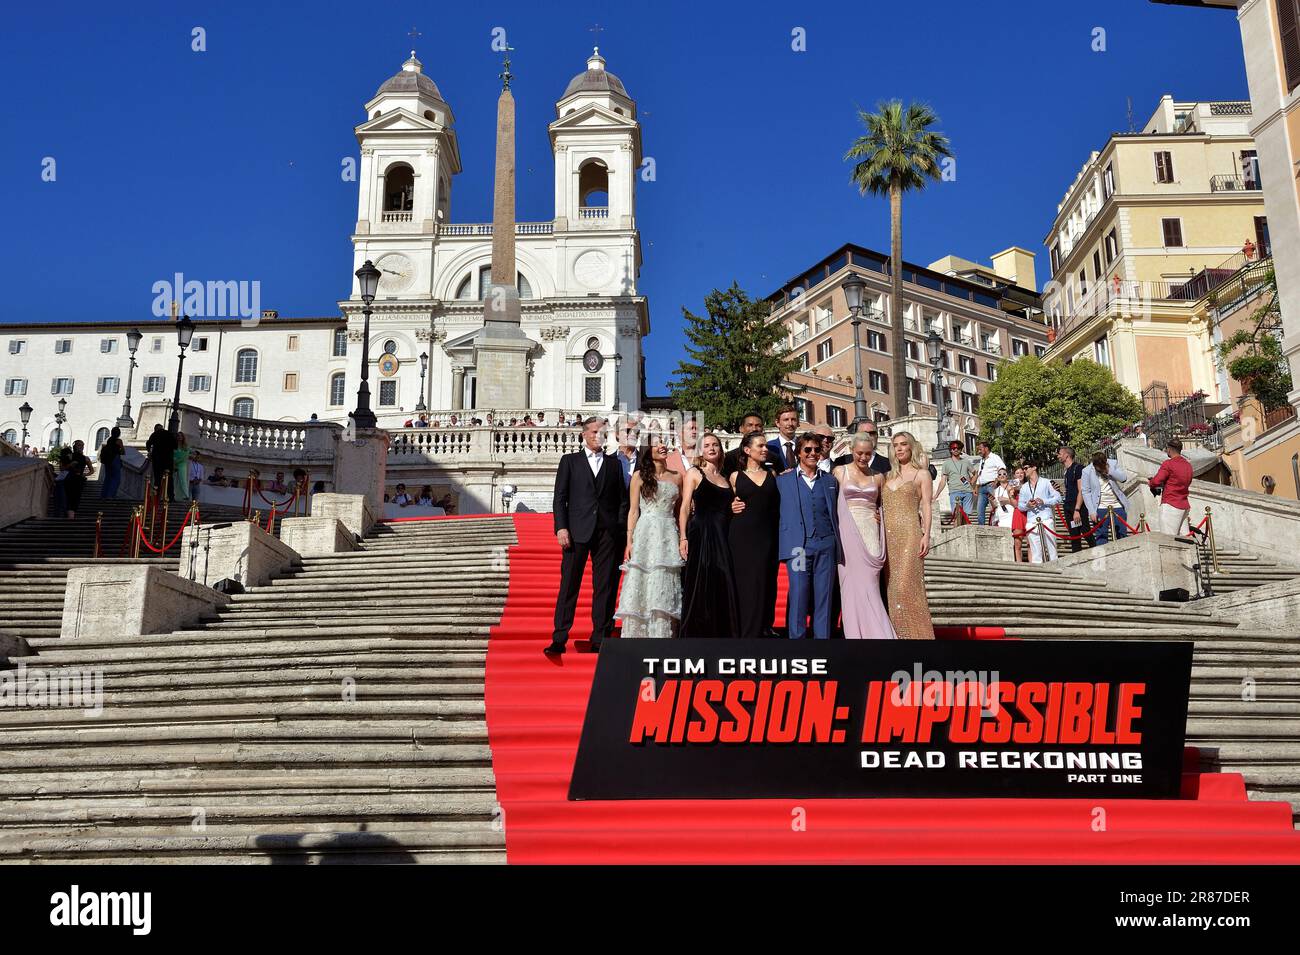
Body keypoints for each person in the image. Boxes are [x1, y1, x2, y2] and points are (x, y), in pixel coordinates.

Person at [547, 417, 629, 656]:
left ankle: (600, 638)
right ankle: (559, 638)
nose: (598, 436)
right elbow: (559, 498)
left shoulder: (614, 465)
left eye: (602, 432)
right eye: (594, 431)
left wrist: (620, 529)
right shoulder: (569, 461)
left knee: (605, 587)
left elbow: (622, 501)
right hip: (576, 532)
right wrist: (561, 528)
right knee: (569, 586)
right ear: (584, 434)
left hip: (607, 533)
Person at [614, 434, 684, 640]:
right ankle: (639, 635)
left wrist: (682, 537)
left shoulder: (677, 476)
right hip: (645, 531)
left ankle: (663, 633)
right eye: (657, 443)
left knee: (665, 577)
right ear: (648, 449)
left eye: (664, 442)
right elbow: (633, 511)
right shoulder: (639, 476)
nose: (663, 446)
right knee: (643, 577)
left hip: (669, 532)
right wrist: (629, 540)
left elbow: (681, 511)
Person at [776, 433, 840, 640]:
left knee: (824, 596)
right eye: (807, 450)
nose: (813, 453)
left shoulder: (830, 481)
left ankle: (822, 642)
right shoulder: (783, 481)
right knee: (799, 594)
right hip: (798, 548)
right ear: (798, 453)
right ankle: (797, 643)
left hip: (826, 545)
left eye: (816, 450)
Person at [834, 433, 896, 639]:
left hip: (870, 534)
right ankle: (854, 635)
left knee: (870, 585)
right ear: (851, 450)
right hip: (846, 534)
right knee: (850, 587)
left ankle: (877, 634)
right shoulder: (839, 472)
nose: (863, 457)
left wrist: (880, 516)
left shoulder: (878, 477)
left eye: (868, 454)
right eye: (859, 453)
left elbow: (885, 505)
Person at [678, 434, 738, 638]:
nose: (712, 448)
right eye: (707, 445)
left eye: (715, 445)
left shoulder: (726, 478)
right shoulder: (694, 473)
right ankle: (697, 635)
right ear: (700, 451)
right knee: (699, 583)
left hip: (724, 535)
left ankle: (722, 634)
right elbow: (685, 507)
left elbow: (730, 508)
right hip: (701, 534)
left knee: (723, 580)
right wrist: (683, 537)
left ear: (721, 450)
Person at [881, 431, 935, 639]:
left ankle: (919, 638)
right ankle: (898, 638)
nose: (900, 448)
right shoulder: (887, 476)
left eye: (904, 444)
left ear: (911, 447)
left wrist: (926, 535)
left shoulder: (922, 474)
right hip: (888, 538)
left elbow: (927, 506)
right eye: (896, 445)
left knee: (906, 588)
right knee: (893, 591)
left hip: (911, 535)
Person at [728, 431, 780, 639]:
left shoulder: (773, 475)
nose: (765, 449)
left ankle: (764, 628)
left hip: (767, 535)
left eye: (766, 446)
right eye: (760, 446)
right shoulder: (734, 476)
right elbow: (724, 503)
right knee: (744, 582)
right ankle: (743, 631)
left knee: (767, 581)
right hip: (740, 536)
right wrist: (730, 506)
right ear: (747, 450)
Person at [1080, 452, 1130, 546]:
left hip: (1117, 505)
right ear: (1094, 466)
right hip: (1100, 507)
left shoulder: (1113, 463)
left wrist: (1109, 471)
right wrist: (1091, 511)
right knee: (1101, 536)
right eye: (1099, 468)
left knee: (1122, 535)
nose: (1100, 470)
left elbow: (1123, 478)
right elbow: (1085, 492)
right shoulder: (1086, 471)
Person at [1018, 461, 1062, 563]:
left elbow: (1058, 498)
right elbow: (1020, 506)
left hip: (1046, 519)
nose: (1024, 471)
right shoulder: (1024, 487)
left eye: (1026, 468)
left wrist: (1044, 501)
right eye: (1023, 469)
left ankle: (1056, 571)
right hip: (1032, 521)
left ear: (1034, 467)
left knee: (1052, 549)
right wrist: (1027, 505)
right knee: (1035, 552)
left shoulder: (1047, 482)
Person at [1149, 438, 1193, 537]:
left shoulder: (1168, 464)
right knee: (1185, 539)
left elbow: (1156, 481)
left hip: (1171, 503)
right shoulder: (1188, 465)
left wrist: (1150, 482)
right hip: (1184, 503)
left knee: (1168, 539)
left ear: (1169, 449)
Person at [936, 440, 978, 523]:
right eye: (953, 448)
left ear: (961, 449)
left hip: (967, 492)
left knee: (966, 517)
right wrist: (936, 494)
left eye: (958, 448)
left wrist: (972, 483)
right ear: (950, 450)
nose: (956, 449)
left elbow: (975, 473)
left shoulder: (966, 461)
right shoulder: (946, 463)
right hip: (955, 492)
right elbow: (943, 480)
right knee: (956, 517)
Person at [1058, 446, 1087, 553]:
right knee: (1074, 535)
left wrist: (1077, 510)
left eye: (1060, 453)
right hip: (1068, 507)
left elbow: (1081, 490)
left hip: (1077, 507)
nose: (1058, 456)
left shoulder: (1078, 468)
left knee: (1086, 532)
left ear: (1067, 455)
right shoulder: (1066, 471)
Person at [722, 413, 768, 477]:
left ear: (762, 429)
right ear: (741, 429)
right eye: (750, 425)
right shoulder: (730, 458)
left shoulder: (771, 457)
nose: (754, 429)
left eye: (758, 425)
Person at [973, 440, 1006, 525]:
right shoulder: (982, 460)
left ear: (986, 448)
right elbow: (980, 473)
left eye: (980, 449)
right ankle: (982, 528)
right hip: (982, 487)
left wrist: (996, 480)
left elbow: (1002, 468)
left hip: (991, 486)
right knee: (979, 510)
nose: (979, 451)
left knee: (995, 507)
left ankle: (997, 525)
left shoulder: (995, 457)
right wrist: (976, 486)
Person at [766, 404, 801, 473]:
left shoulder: (804, 445)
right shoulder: (768, 447)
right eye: (786, 420)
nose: (790, 423)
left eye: (793, 419)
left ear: (798, 423)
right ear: (777, 423)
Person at [63, 441, 93, 520]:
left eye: (82, 445)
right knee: (69, 497)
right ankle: (69, 514)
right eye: (79, 445)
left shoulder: (86, 458)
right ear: (75, 446)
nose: (81, 447)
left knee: (76, 497)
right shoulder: (69, 456)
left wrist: (84, 475)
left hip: (79, 480)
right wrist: (70, 464)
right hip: (69, 479)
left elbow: (92, 470)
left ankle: (71, 514)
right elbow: (62, 468)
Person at [145, 424, 176, 498]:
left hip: (158, 459)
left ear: (155, 429)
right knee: (169, 478)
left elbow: (148, 444)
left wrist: (150, 452)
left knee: (157, 478)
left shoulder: (154, 434)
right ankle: (170, 496)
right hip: (168, 459)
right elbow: (175, 445)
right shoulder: (169, 434)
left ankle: (157, 495)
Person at [97, 426, 125, 499]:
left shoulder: (109, 440)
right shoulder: (119, 441)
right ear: (119, 433)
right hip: (115, 459)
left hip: (107, 460)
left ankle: (103, 495)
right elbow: (123, 452)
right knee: (116, 478)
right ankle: (110, 495)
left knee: (108, 477)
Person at [1007, 465, 1028, 562]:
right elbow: (1015, 505)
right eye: (1017, 473)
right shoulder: (1012, 487)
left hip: (1029, 513)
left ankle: (1032, 564)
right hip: (1018, 514)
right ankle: (1019, 564)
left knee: (1030, 542)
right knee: (1017, 542)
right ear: (1014, 475)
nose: (1020, 475)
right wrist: (1011, 495)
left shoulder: (1029, 485)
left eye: (1021, 473)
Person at [173, 434, 192, 502]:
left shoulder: (186, 447)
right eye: (178, 436)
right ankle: (174, 495)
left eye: (181, 436)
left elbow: (190, 453)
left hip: (182, 464)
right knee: (174, 480)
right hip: (174, 464)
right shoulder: (174, 446)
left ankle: (185, 495)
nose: (179, 437)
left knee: (183, 479)